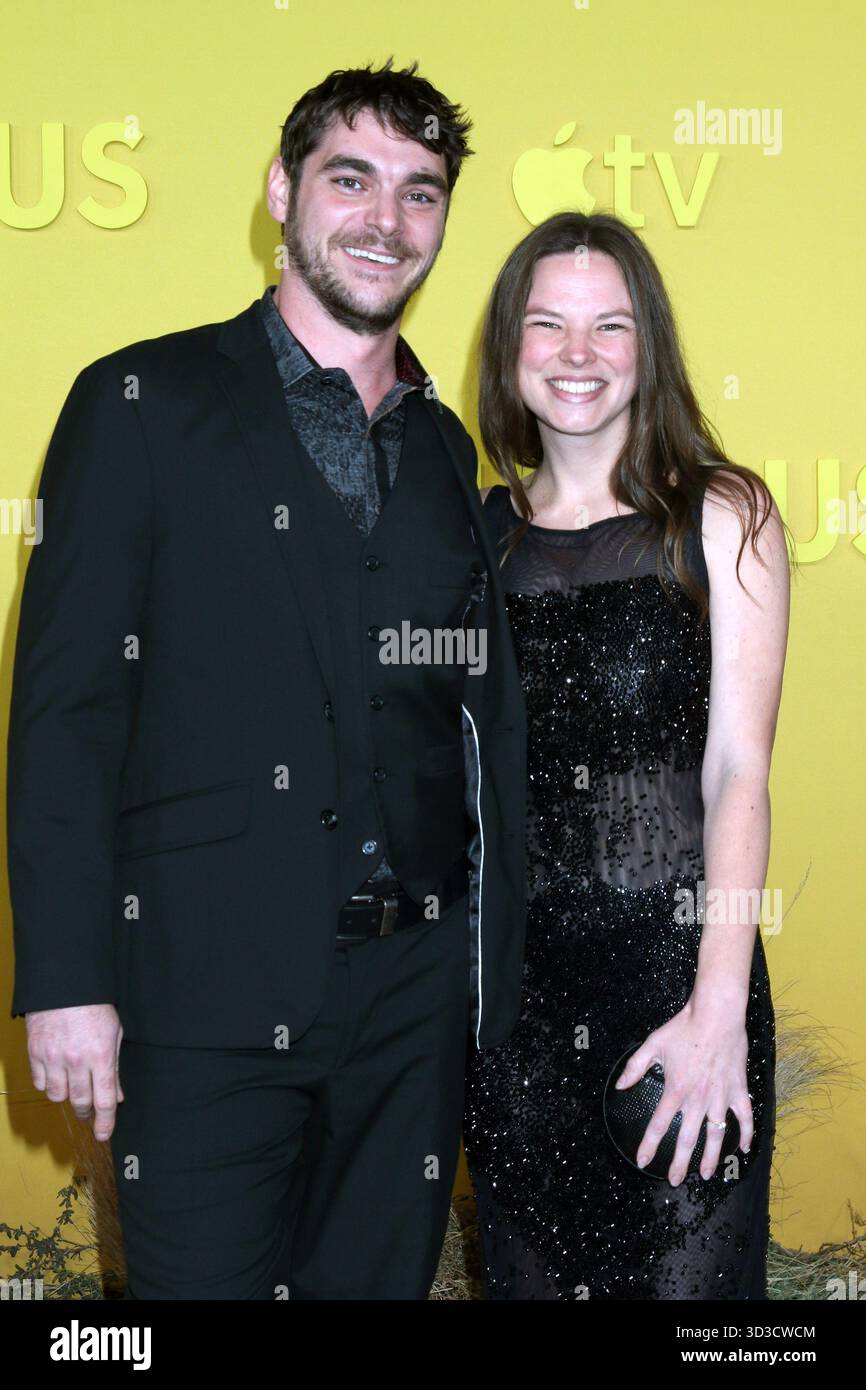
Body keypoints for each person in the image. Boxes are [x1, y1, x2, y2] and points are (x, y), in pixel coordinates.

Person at [7, 59, 528, 1300]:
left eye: (419, 192)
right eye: (350, 179)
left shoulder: (448, 448)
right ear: (280, 193)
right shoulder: (140, 401)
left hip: (410, 1006)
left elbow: (460, 713)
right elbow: (67, 711)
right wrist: (68, 979)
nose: (384, 220)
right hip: (199, 991)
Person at [463, 211, 792, 1299]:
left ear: (646, 346)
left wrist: (715, 1011)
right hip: (515, 1020)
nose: (575, 353)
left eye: (608, 326)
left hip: (678, 994)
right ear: (508, 348)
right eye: (546, 325)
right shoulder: (476, 538)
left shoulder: (722, 514)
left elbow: (737, 770)